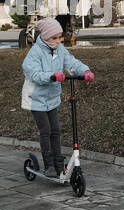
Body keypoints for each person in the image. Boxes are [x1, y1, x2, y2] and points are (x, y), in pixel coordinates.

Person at [21, 17, 93, 177]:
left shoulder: (59, 49)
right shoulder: (35, 53)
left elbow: (72, 63)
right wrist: (52, 76)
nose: (57, 40)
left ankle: (59, 165)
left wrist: (85, 71)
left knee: (56, 130)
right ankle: (49, 165)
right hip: (36, 99)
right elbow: (33, 73)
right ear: (45, 37)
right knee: (45, 130)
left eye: (59, 37)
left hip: (52, 98)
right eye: (54, 37)